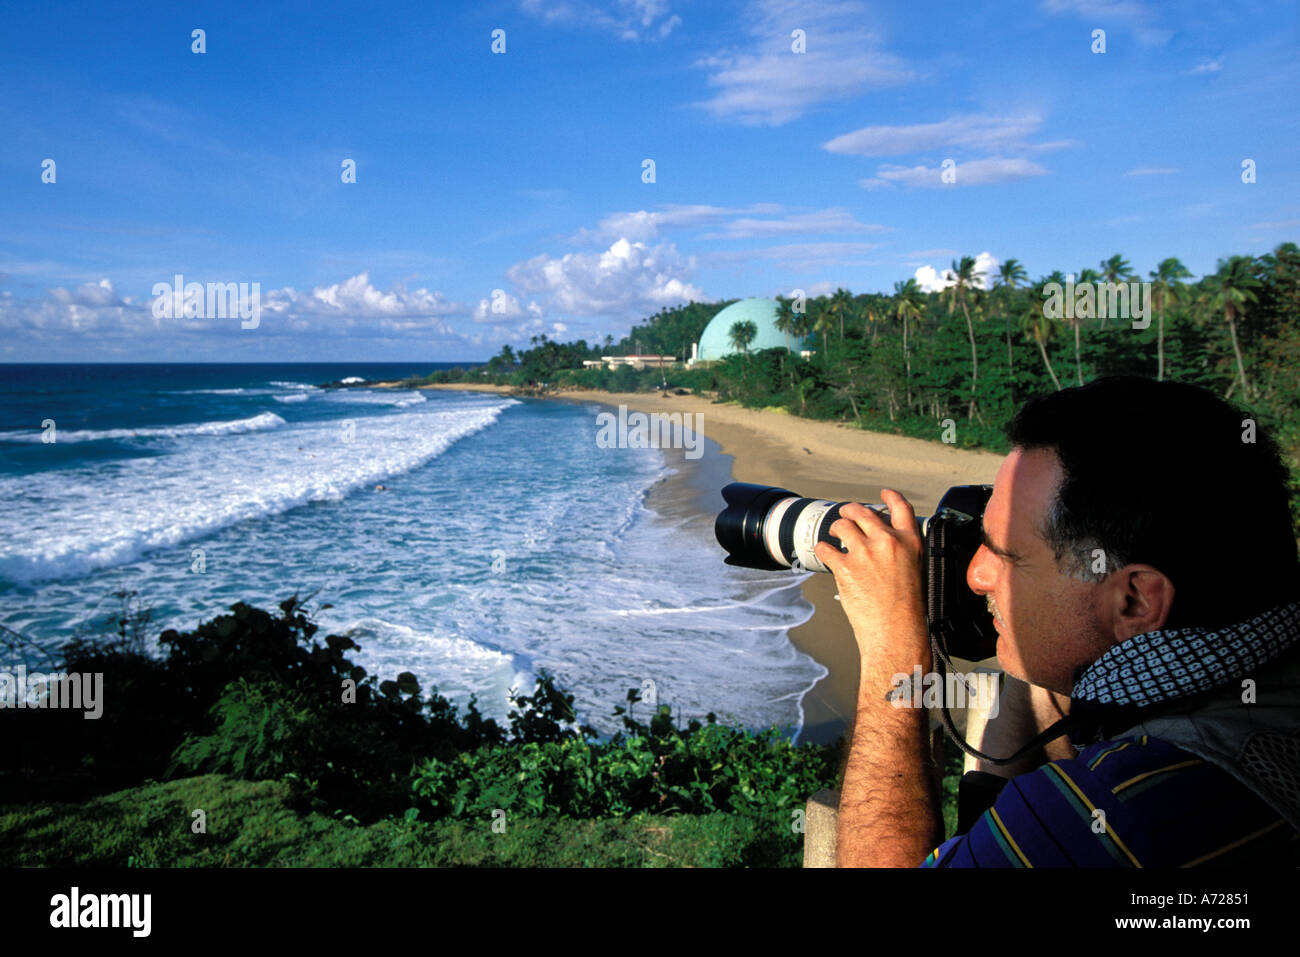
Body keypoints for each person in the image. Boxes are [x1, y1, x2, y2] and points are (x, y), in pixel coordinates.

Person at [819, 376, 1300, 867]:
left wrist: (894, 651)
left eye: (1007, 555)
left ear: (1134, 601)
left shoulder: (1109, 814)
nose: (976, 575)